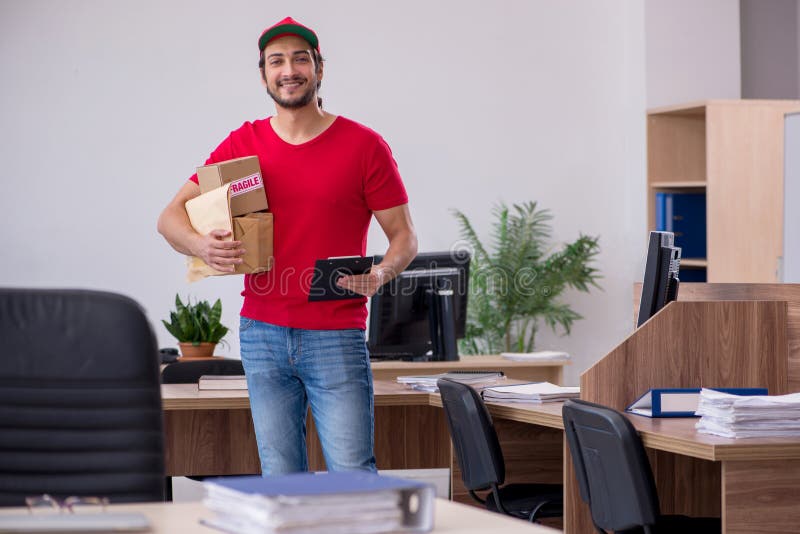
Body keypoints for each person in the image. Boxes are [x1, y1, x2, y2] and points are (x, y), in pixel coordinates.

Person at [157, 16, 417, 475]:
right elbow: (168, 218)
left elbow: (404, 238)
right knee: (280, 477)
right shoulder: (243, 145)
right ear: (263, 74)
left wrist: (380, 274)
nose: (289, 69)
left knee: (353, 471)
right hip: (262, 333)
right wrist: (201, 244)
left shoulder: (363, 145)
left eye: (300, 58)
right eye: (277, 61)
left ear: (319, 68)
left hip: (336, 335)